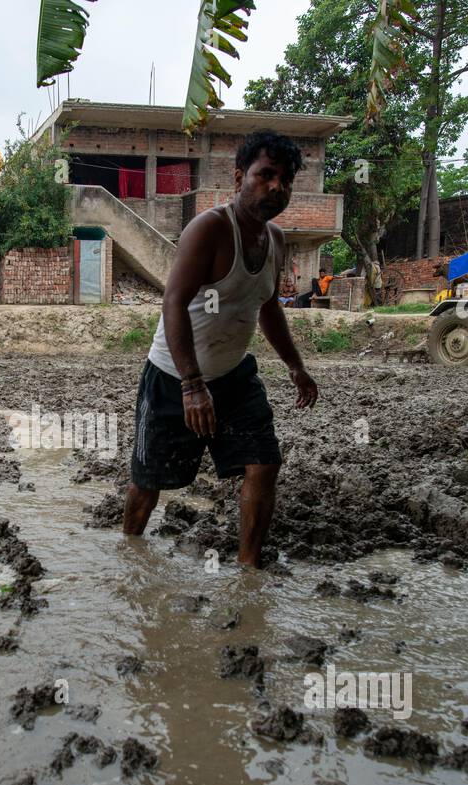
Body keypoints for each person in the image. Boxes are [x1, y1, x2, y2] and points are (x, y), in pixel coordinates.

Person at [122, 130, 318, 569]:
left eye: (285, 180)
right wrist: (192, 385)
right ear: (238, 177)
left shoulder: (277, 242)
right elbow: (173, 302)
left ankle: (249, 567)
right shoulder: (208, 229)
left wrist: (294, 365)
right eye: (265, 175)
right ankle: (129, 551)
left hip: (233, 378)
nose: (276, 187)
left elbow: (267, 305)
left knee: (264, 463)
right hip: (173, 378)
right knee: (148, 481)